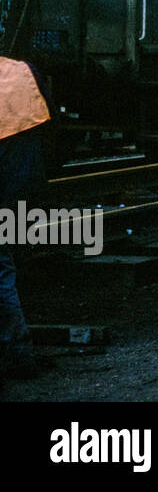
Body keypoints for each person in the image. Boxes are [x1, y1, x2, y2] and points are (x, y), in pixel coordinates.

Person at [0, 58, 54, 383]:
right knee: (10, 267)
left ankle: (19, 357)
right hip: (25, 190)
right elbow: (51, 127)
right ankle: (19, 354)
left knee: (2, 273)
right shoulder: (23, 71)